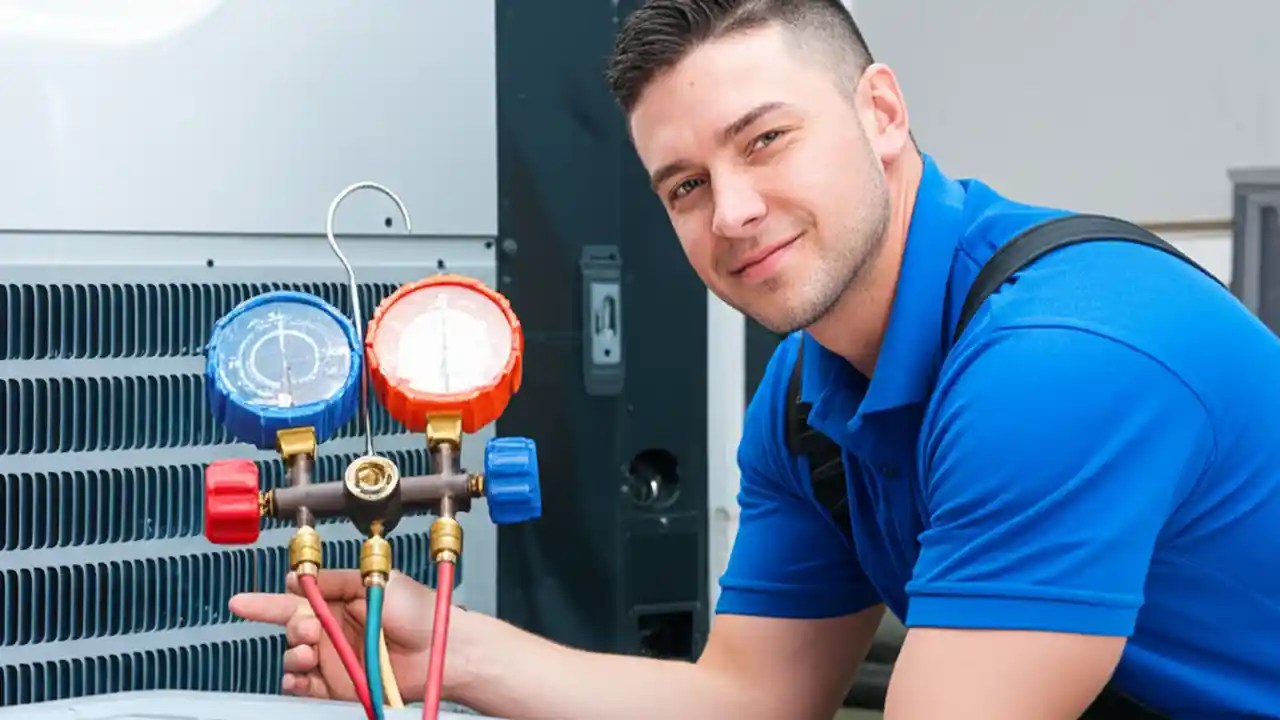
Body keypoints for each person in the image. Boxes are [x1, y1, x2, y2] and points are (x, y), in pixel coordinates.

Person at [229, 1, 1280, 717]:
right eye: (683, 185)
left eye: (765, 139)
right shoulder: (805, 399)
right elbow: (750, 696)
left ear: (878, 112)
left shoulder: (1059, 362)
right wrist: (452, 653)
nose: (730, 211)